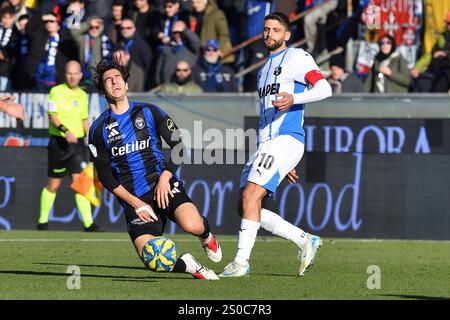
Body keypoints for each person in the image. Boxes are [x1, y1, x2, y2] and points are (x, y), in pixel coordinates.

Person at [219, 12, 332, 278]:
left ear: (287, 34)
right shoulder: (261, 71)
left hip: (286, 138)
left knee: (250, 196)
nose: (269, 34)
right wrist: (282, 163)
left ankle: (241, 263)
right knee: (245, 206)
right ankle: (305, 240)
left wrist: (295, 97)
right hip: (267, 144)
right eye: (266, 29)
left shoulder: (297, 57)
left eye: (276, 30)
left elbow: (326, 89)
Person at [88, 58, 222, 280]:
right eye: (108, 80)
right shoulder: (98, 130)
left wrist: (165, 178)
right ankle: (191, 266)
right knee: (153, 260)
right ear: (103, 89)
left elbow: (179, 146)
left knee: (193, 225)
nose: (114, 82)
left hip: (163, 185)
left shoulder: (149, 112)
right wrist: (135, 203)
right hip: (135, 199)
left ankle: (206, 235)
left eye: (118, 78)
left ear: (126, 84)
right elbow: (105, 177)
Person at [38, 60, 105, 232]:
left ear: (81, 75)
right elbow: (53, 116)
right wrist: (65, 131)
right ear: (64, 74)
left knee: (81, 183)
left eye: (76, 73)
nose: (73, 76)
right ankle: (42, 222)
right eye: (70, 73)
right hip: (59, 144)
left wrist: (94, 138)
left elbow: (84, 120)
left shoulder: (82, 95)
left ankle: (88, 224)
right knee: (53, 185)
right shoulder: (56, 91)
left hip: (77, 147)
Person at [155, 19, 201, 85]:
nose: (178, 34)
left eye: (180, 32)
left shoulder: (191, 48)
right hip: (168, 88)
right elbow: (159, 68)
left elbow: (196, 41)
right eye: (175, 32)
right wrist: (159, 82)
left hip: (188, 89)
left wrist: (184, 29)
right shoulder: (166, 48)